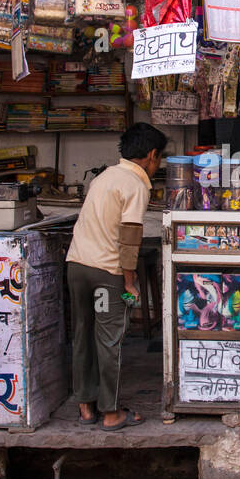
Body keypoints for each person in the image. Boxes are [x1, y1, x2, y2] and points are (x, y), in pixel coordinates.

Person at [65, 123, 167, 430]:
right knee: (109, 341)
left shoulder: (106, 176)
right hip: (105, 274)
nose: (157, 165)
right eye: (158, 158)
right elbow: (129, 239)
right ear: (151, 155)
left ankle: (85, 406)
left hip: (77, 265)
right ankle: (110, 413)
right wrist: (128, 282)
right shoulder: (136, 184)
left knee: (83, 336)